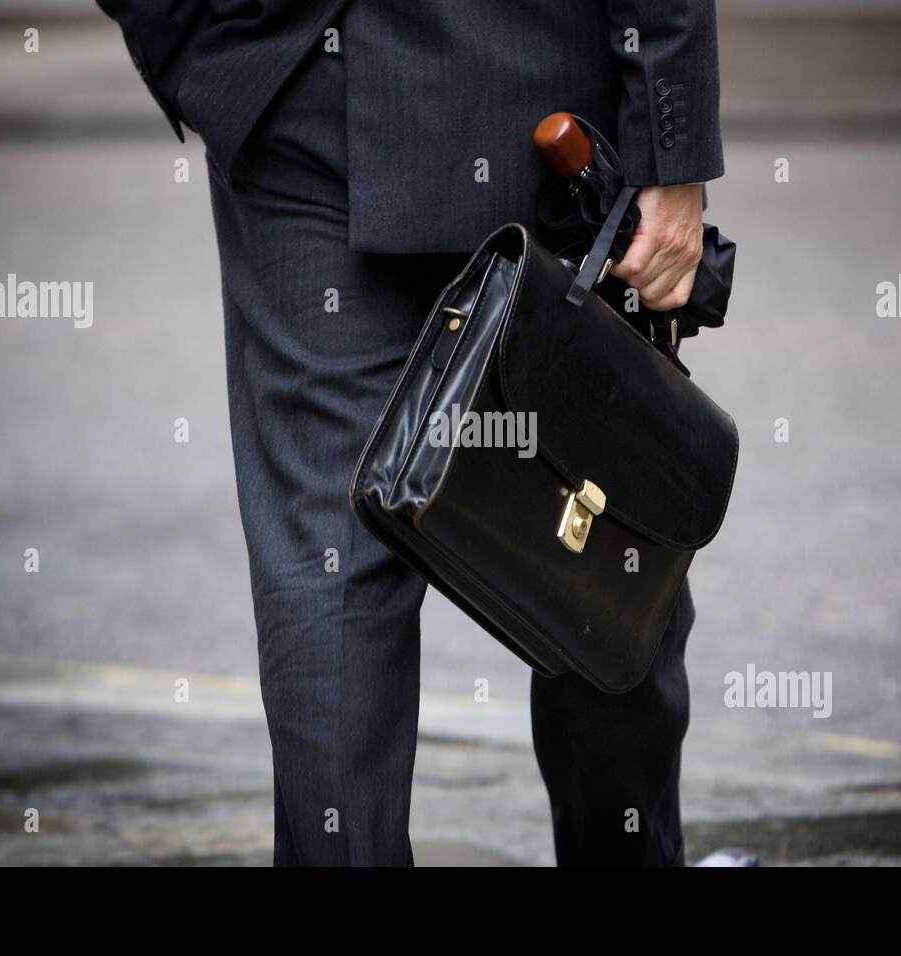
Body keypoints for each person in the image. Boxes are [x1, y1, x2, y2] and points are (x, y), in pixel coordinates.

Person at [98, 0, 724, 866]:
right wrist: (671, 136)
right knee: (598, 517)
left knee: (332, 561)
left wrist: (199, 43)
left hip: (308, 82)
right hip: (532, 82)